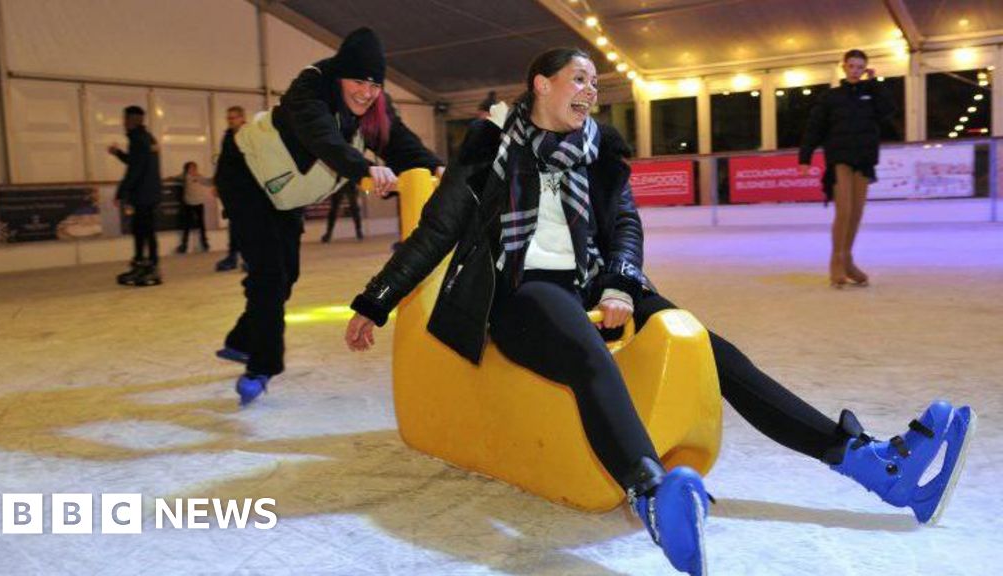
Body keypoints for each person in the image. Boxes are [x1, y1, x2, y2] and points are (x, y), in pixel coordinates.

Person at [345, 48, 975, 576]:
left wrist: (621, 284)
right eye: (579, 78)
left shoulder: (600, 155)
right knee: (587, 354)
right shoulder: (487, 152)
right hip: (516, 292)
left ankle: (874, 464)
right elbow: (434, 232)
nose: (591, 90)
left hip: (595, 283)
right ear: (541, 84)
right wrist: (376, 302)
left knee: (708, 346)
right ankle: (651, 493)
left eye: (596, 82)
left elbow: (623, 227)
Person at [216, 27, 443, 406]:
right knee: (270, 276)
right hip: (244, 176)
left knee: (286, 274)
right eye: (357, 81)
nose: (365, 93)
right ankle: (262, 366)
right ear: (340, 76)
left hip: (283, 191)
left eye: (374, 85)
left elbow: (400, 143)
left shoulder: (375, 106)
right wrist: (364, 169)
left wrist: (438, 169)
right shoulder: (308, 90)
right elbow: (322, 137)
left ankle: (241, 339)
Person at [799, 49, 895, 288]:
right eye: (851, 66)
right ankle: (837, 262)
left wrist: (874, 85)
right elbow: (814, 127)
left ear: (865, 70)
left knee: (856, 213)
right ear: (843, 67)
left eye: (859, 67)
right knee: (844, 211)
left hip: (863, 160)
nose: (855, 71)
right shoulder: (831, 97)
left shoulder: (870, 95)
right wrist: (805, 156)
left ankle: (848, 260)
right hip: (839, 159)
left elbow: (889, 111)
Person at [110, 105, 163, 287]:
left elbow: (135, 169)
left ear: (134, 120)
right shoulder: (147, 138)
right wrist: (117, 153)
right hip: (149, 192)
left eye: (126, 119)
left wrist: (121, 191)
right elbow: (136, 162)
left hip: (143, 193)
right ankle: (143, 264)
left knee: (143, 230)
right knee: (144, 230)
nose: (123, 123)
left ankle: (149, 267)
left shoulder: (138, 140)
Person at [215, 106, 247, 272]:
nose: (230, 121)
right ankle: (232, 256)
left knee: (249, 225)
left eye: (233, 118)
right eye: (229, 118)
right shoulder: (227, 137)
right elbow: (223, 162)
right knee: (234, 224)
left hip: (248, 189)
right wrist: (217, 182)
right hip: (232, 189)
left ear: (242, 118)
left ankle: (250, 258)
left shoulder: (249, 136)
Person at [176, 161, 211, 253]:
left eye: (195, 168)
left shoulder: (199, 177)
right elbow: (173, 178)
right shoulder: (184, 176)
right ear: (187, 169)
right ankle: (184, 245)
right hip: (188, 203)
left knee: (201, 224)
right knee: (186, 224)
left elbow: (208, 182)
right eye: (191, 168)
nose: (193, 170)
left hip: (199, 203)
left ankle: (204, 243)